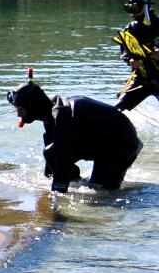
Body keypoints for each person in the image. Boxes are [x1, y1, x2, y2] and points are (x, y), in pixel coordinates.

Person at [8, 75, 142, 192]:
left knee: (101, 192)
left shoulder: (62, 115)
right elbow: (52, 156)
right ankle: (77, 183)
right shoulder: (49, 112)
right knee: (51, 152)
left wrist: (56, 203)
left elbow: (63, 159)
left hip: (122, 144)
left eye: (20, 109)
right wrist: (48, 182)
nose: (18, 114)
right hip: (99, 141)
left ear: (33, 106)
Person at [114, 0, 159, 111]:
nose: (132, 12)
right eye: (129, 9)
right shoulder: (130, 29)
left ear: (145, 7)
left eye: (135, 8)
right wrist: (131, 61)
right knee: (118, 108)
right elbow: (125, 53)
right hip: (142, 77)